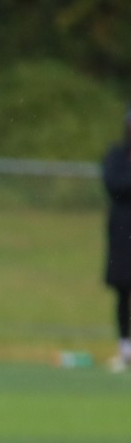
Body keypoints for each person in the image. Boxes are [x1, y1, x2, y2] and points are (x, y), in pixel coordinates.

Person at [101, 111, 131, 373]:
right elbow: (114, 184)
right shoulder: (116, 156)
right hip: (122, 233)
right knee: (123, 289)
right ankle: (124, 349)